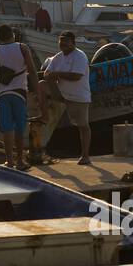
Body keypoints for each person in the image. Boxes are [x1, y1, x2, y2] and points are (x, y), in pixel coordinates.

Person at [0, 24, 40, 169]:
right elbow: (32, 71)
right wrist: (37, 91)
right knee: (19, 127)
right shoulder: (22, 48)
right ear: (13, 34)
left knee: (7, 128)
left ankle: (9, 162)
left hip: (2, 93)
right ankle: (20, 161)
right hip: (20, 93)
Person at [39, 30, 93, 165]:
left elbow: (76, 76)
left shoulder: (79, 56)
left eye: (65, 42)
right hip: (61, 95)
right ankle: (44, 114)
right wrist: (51, 76)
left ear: (73, 43)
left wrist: (56, 74)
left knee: (83, 126)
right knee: (41, 85)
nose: (62, 44)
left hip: (78, 96)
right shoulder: (58, 57)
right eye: (60, 41)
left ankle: (85, 155)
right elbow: (46, 73)